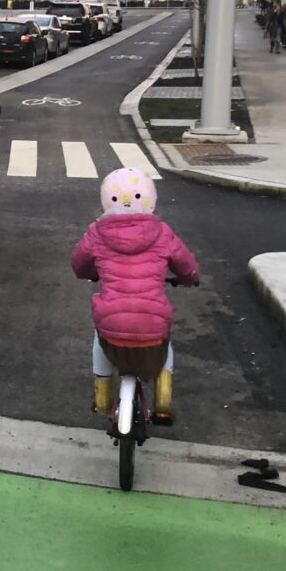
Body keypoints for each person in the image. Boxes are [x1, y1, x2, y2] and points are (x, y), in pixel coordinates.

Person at [70, 169, 199, 427]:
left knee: (100, 335)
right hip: (152, 326)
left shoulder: (96, 233)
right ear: (150, 199)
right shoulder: (163, 233)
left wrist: (92, 273)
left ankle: (102, 395)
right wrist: (189, 279)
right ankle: (163, 398)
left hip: (112, 324)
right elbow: (187, 267)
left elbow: (79, 265)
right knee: (164, 336)